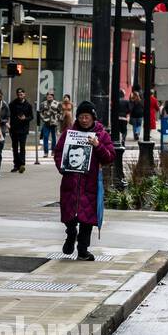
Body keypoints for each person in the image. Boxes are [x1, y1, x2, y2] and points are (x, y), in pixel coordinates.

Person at [53, 102, 115, 260]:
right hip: (70, 183)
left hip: (90, 184)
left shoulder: (101, 135)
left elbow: (110, 157)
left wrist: (98, 146)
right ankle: (71, 233)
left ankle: (82, 250)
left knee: (87, 220)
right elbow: (58, 152)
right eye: (81, 116)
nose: (84, 120)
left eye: (87, 116)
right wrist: (63, 167)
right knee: (69, 216)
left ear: (93, 117)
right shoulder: (69, 133)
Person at [8, 88, 33, 172]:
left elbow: (31, 117)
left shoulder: (28, 105)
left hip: (23, 129)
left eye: (21, 94)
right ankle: (16, 165)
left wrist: (25, 118)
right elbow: (9, 115)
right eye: (18, 94)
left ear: (24, 94)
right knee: (14, 147)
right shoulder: (12, 104)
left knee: (22, 147)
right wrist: (9, 124)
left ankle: (22, 164)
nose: (20, 95)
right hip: (14, 129)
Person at [39, 91, 60, 157]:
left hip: (54, 123)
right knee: (45, 137)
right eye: (48, 96)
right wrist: (43, 118)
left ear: (53, 97)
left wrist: (57, 118)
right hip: (46, 123)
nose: (49, 97)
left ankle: (53, 151)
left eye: (51, 96)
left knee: (54, 138)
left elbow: (60, 112)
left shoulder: (57, 103)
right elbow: (40, 112)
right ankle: (46, 152)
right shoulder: (43, 104)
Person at [0, 90, 6, 175]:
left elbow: (8, 117)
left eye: (0, 96)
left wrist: (2, 120)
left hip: (1, 131)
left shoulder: (4, 105)